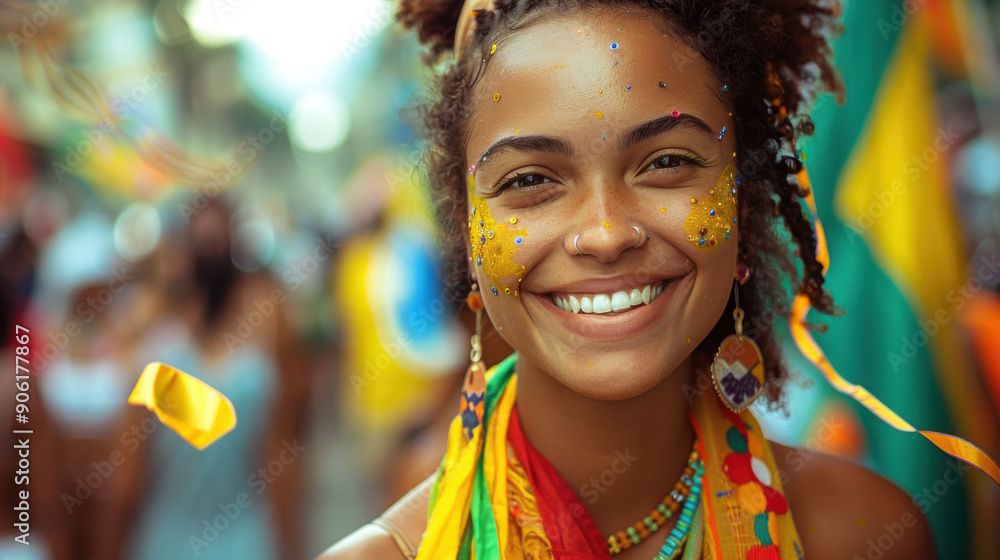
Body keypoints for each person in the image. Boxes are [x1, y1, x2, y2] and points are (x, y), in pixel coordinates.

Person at [319, 1, 937, 558]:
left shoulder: (866, 533)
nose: (607, 233)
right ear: (466, 226)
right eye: (530, 180)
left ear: (742, 197)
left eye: (667, 162)